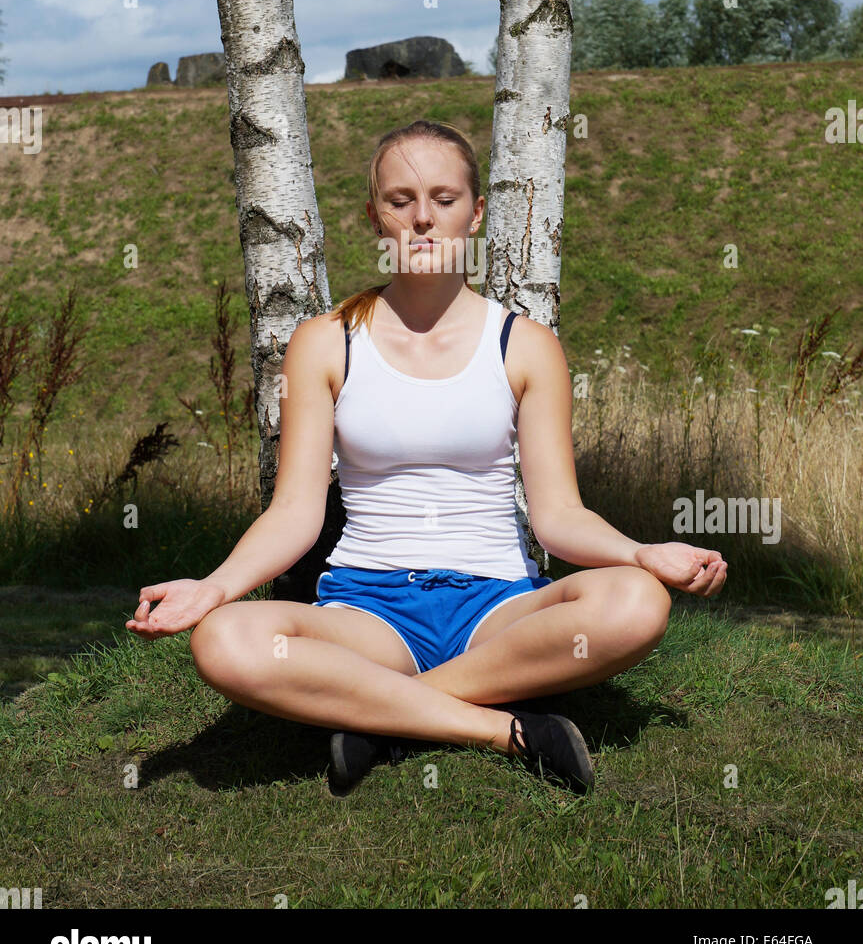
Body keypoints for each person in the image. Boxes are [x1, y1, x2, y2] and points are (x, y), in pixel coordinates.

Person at [126, 118, 727, 796]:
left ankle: (378, 717)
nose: (421, 219)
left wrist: (641, 552)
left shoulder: (524, 346)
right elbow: (296, 510)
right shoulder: (325, 341)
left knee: (636, 604)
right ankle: (504, 728)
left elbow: (557, 516)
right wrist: (213, 588)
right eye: (399, 199)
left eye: (443, 199)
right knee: (223, 641)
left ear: (474, 214)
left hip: (499, 609)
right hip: (367, 611)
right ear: (374, 216)